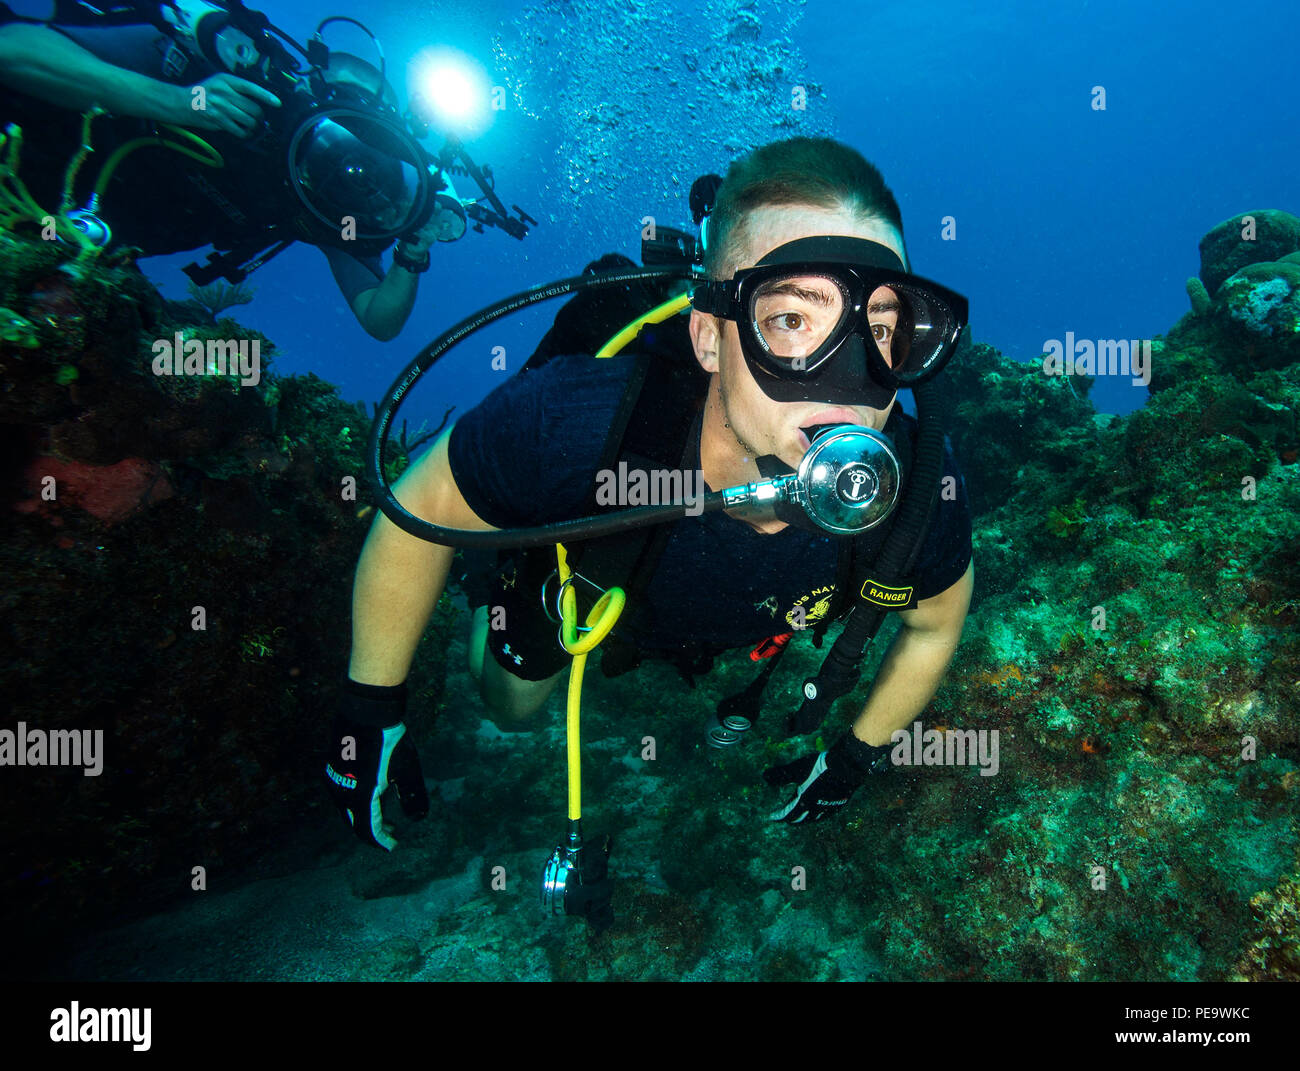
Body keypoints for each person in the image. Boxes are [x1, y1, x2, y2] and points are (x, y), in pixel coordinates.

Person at [329, 136, 975, 851]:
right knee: (513, 705)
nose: (849, 381)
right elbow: (420, 510)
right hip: (588, 576)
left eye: (880, 330)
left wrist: (855, 756)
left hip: (736, 623)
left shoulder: (919, 491)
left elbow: (935, 623)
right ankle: (499, 583)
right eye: (792, 319)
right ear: (709, 338)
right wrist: (371, 708)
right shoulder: (577, 420)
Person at [0, 0, 466, 341]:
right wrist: (180, 102)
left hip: (53, 250)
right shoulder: (227, 84)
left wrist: (411, 253)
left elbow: (378, 319)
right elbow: (12, 51)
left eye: (381, 177)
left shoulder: (321, 212)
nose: (355, 172)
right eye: (345, 137)